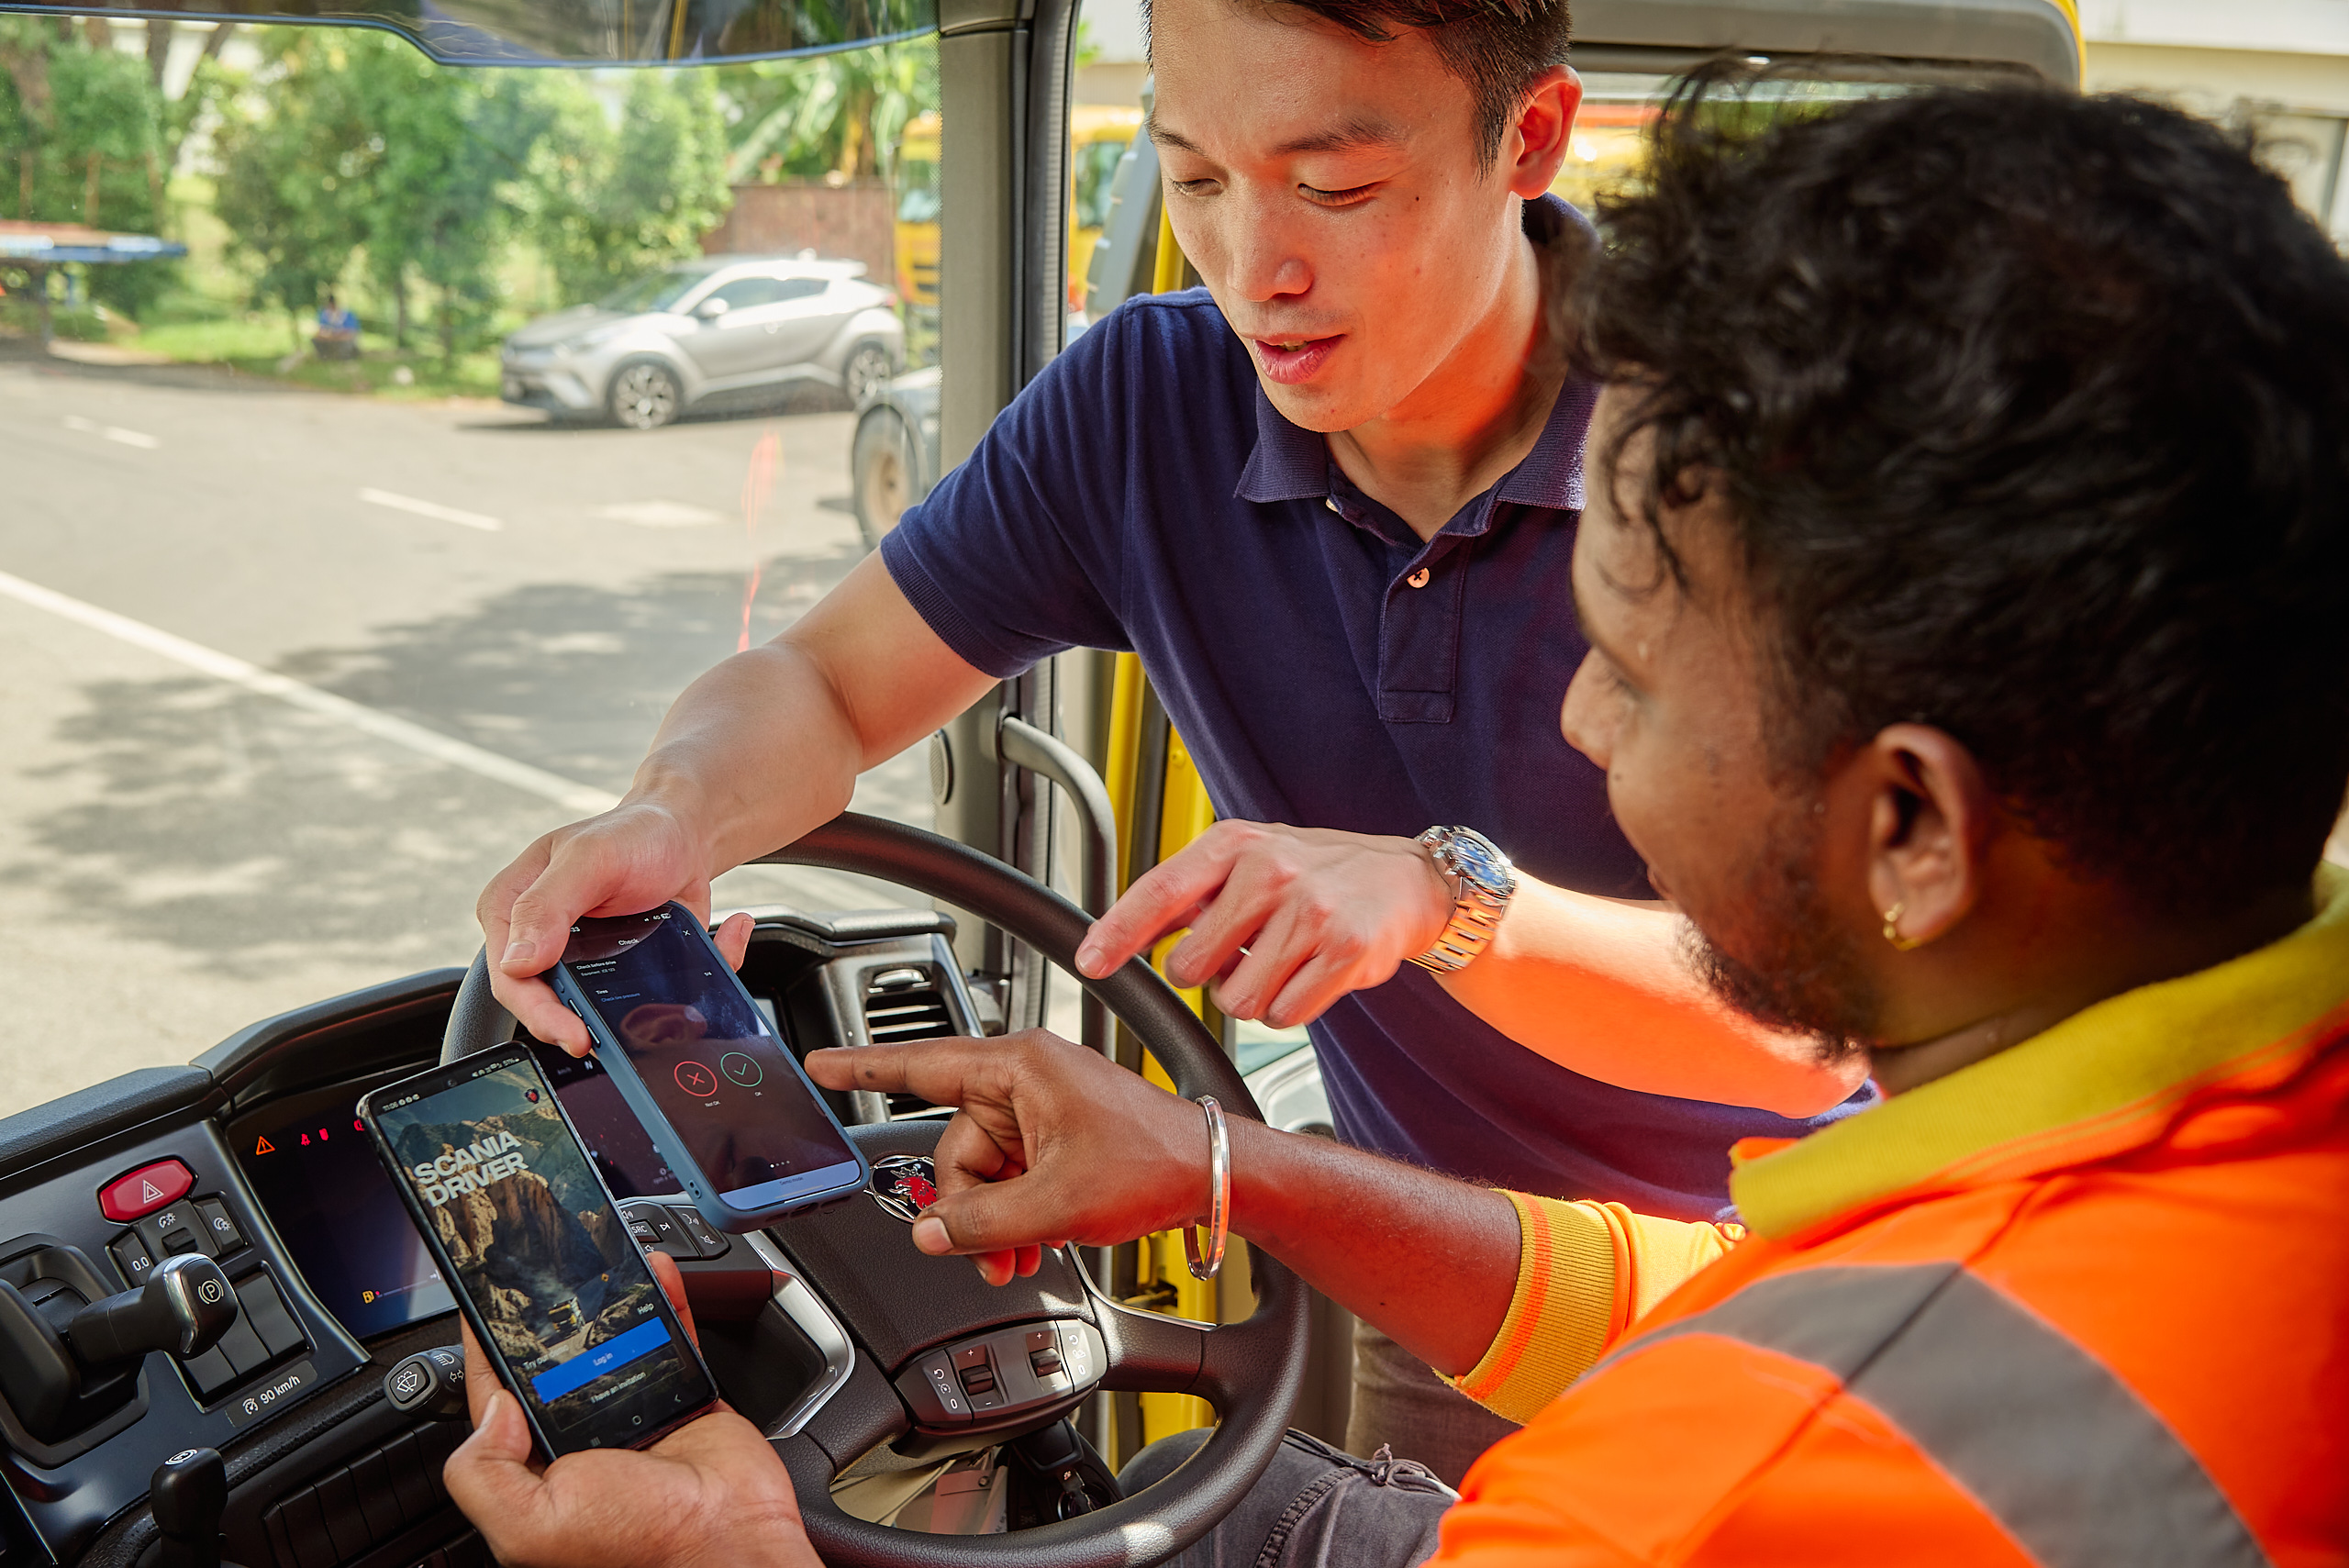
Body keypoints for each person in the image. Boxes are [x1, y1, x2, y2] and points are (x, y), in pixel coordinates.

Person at [443, 81, 2349, 1565]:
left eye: (1636, 670)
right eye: (1191, 171)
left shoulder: (1713, 1481)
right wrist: (1227, 1169)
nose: (1583, 718)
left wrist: (729, 1544)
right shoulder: (2173, 1161)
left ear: (1913, 827)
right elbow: (1687, 1292)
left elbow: (1732, 1380)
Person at [473, 0, 1871, 1476]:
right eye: (1197, 177)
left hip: (1818, 1266)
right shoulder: (1149, 407)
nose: (1255, 271)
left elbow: (1812, 1034)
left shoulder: (1750, 439)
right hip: (1444, 1282)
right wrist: (678, 812)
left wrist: (1439, 901)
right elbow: (823, 685)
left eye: (1335, 188)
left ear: (1527, 139)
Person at [314, 292, 360, 359]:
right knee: (318, 337)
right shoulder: (324, 314)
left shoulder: (346, 314)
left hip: (343, 335)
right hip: (330, 335)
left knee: (347, 336)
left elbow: (352, 330)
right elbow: (322, 329)